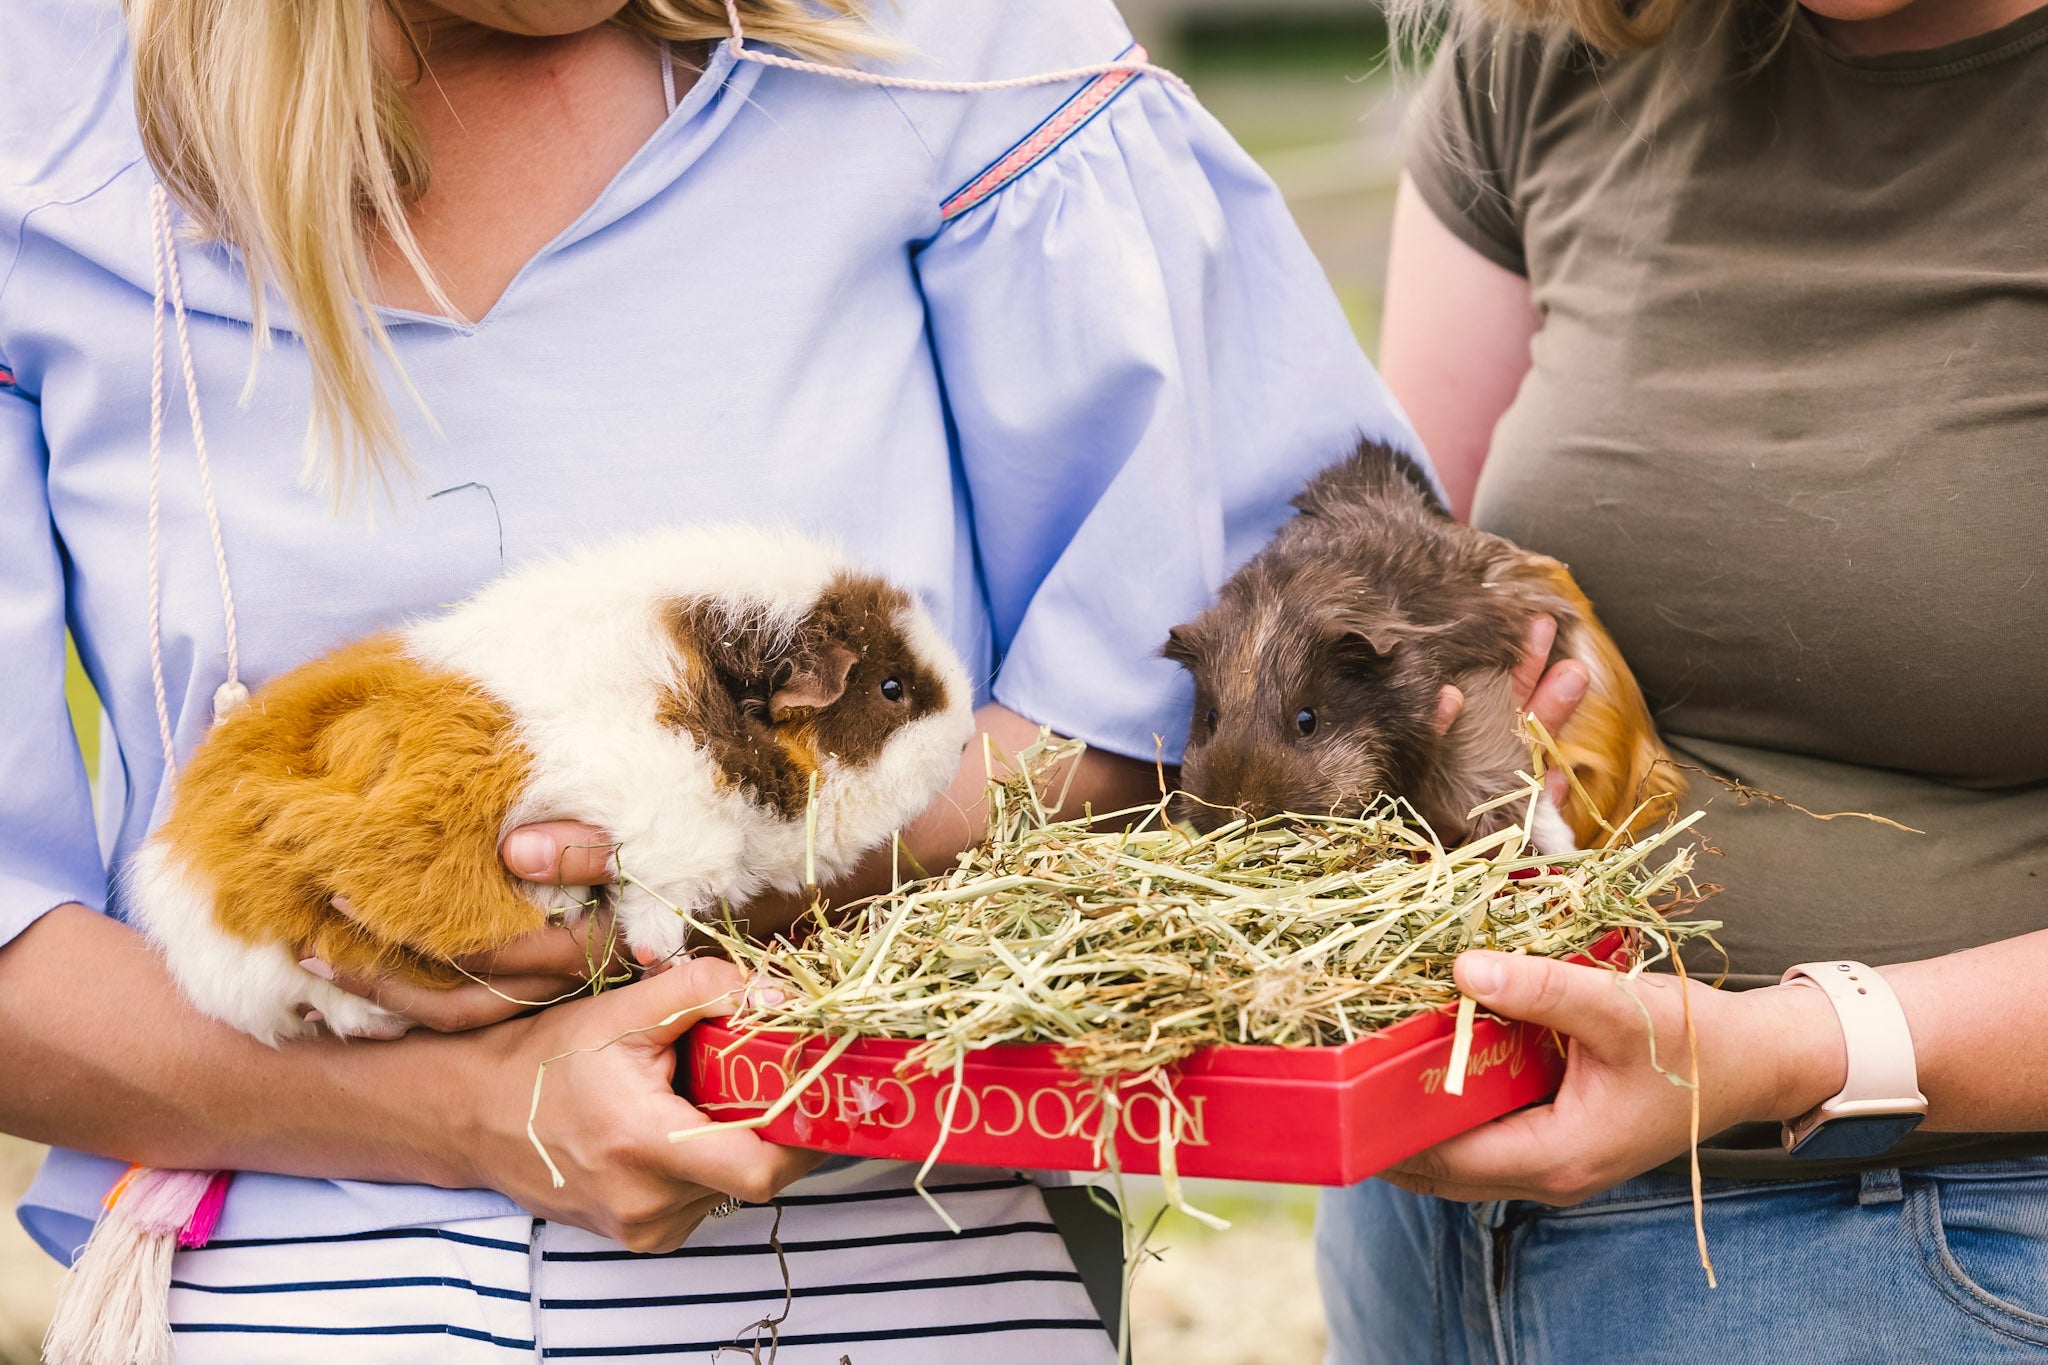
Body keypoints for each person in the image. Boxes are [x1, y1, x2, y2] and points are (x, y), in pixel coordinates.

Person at [0, 0, 1417, 1358]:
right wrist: (467, 1106)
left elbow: (1229, 667)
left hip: (898, 1255)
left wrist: (730, 877)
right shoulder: (41, 116)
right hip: (304, 1288)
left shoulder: (958, 52)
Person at [1317, 0, 2048, 1358]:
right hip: (1435, 1228)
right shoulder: (1556, 49)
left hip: (1915, 1241)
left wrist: (1780, 1048)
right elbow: (1383, 575)